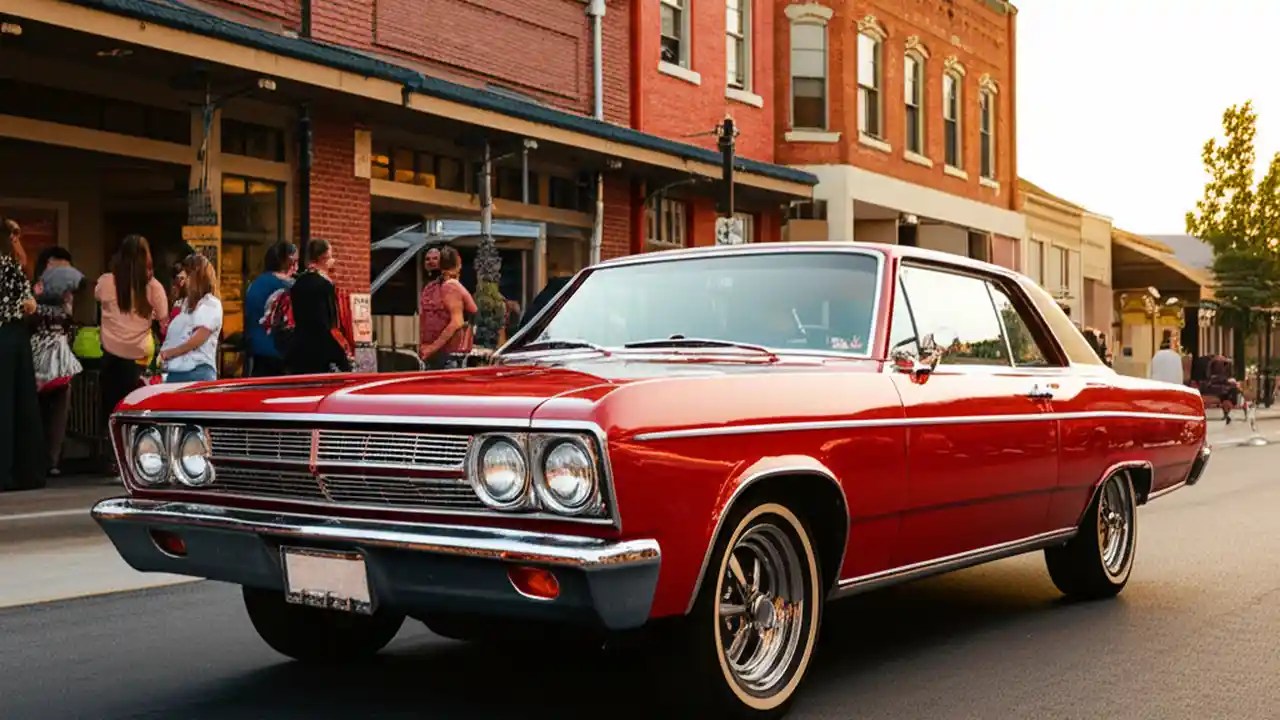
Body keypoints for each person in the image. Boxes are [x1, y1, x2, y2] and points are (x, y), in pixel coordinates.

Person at [94, 235, 169, 452]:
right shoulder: (154, 287)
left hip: (110, 353)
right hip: (139, 356)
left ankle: (111, 456)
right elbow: (163, 318)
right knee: (136, 408)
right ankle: (136, 453)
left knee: (111, 407)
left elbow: (97, 296)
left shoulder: (106, 281)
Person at [0, 217, 47, 490]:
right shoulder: (9, 266)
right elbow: (28, 304)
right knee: (15, 404)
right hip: (10, 337)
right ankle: (19, 471)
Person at [31, 246, 86, 476]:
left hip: (50, 357)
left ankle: (50, 459)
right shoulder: (32, 292)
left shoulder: (57, 296)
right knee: (48, 411)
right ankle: (45, 459)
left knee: (53, 412)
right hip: (50, 356)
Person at [286, 239, 351, 374]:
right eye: (331, 256)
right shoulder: (325, 285)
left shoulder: (298, 283)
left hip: (299, 348)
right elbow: (327, 323)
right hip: (320, 352)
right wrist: (342, 358)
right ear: (324, 258)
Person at [159, 253, 223, 383]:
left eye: (186, 276)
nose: (182, 281)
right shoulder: (184, 305)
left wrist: (169, 353)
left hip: (197, 372)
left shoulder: (210, 304)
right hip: (175, 372)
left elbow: (197, 339)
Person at [418, 245, 476, 370]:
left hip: (448, 355)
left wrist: (432, 347)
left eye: (435, 258)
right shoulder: (428, 289)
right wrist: (424, 346)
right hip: (430, 354)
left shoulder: (451, 286)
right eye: (428, 259)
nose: (431, 261)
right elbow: (424, 319)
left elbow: (458, 321)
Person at [244, 241, 297, 377]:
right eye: (295, 262)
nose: (296, 268)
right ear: (288, 261)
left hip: (256, 350)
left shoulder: (255, 284)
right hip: (281, 353)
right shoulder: (289, 286)